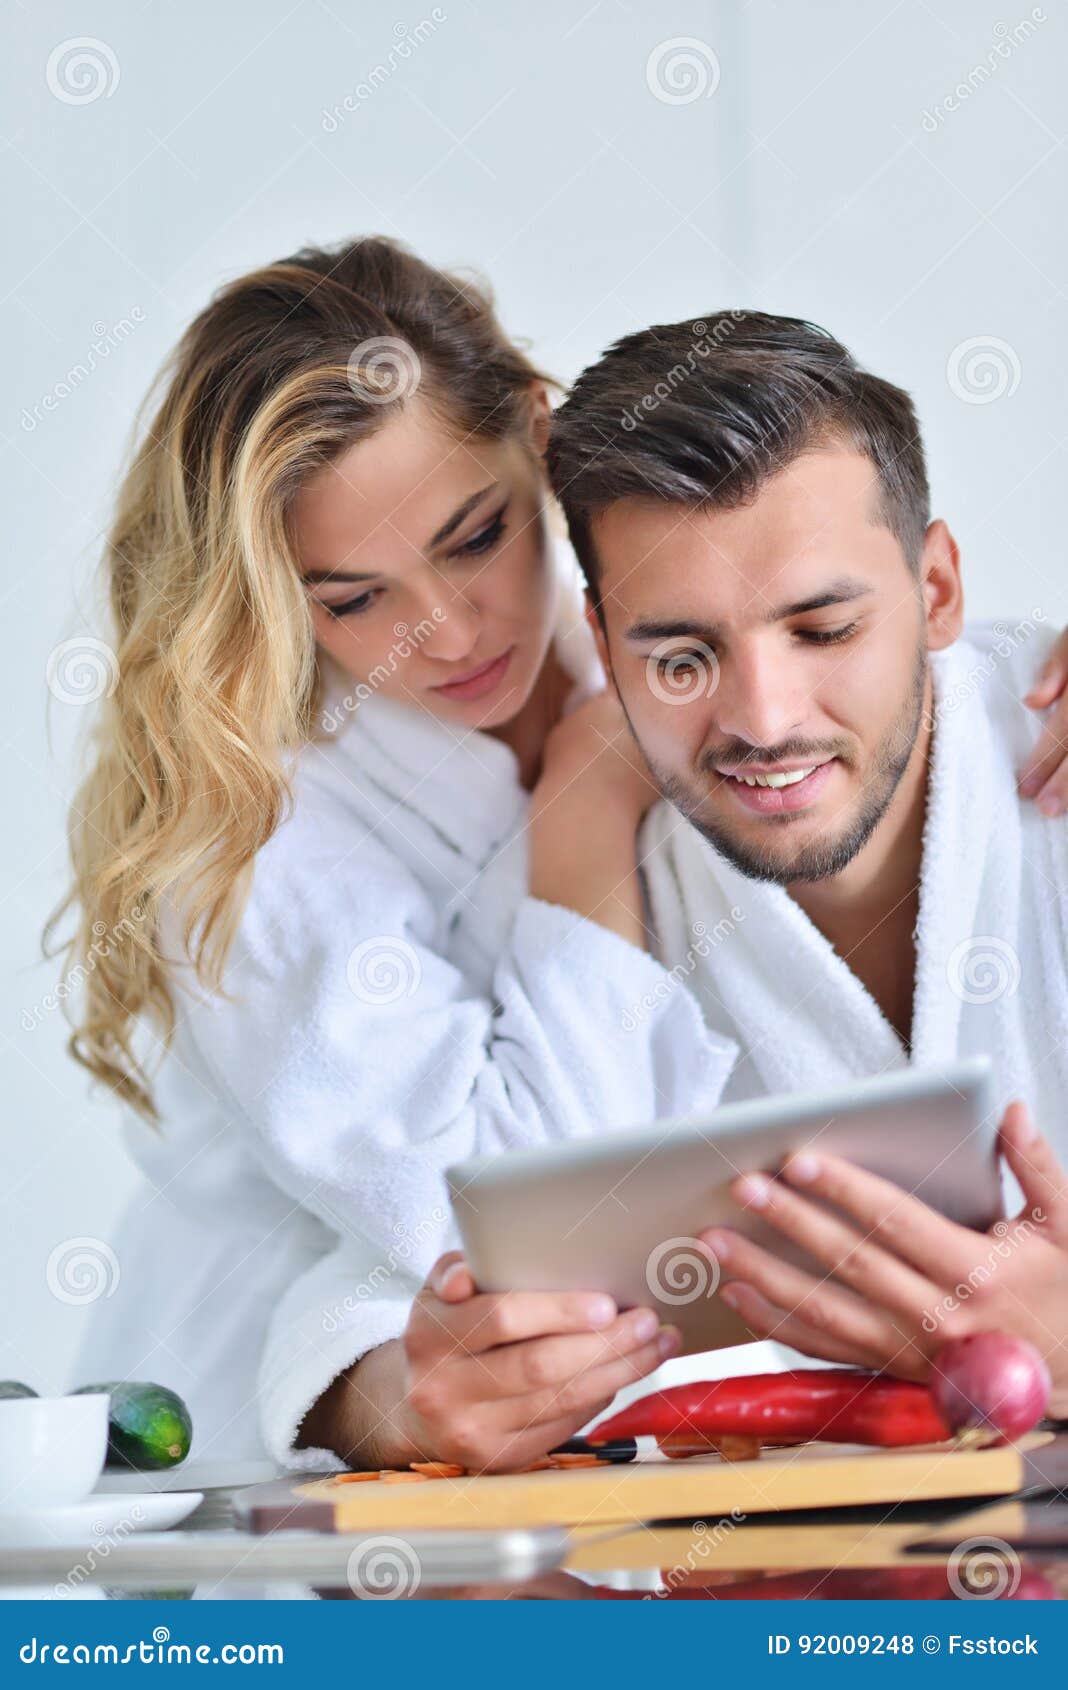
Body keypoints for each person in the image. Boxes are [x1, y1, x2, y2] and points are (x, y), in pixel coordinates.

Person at [53, 240, 1068, 1474]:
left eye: (476, 536)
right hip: (256, 1421)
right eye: (355, 599)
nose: (452, 631)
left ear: (533, 438)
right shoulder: (268, 839)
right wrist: (585, 810)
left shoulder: (664, 682)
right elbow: (488, 1230)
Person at [545, 308, 1068, 1412]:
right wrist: (398, 1382)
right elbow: (395, 1266)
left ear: (936, 592)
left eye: (824, 631)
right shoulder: (582, 885)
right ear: (603, 646)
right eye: (681, 656)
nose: (764, 719)